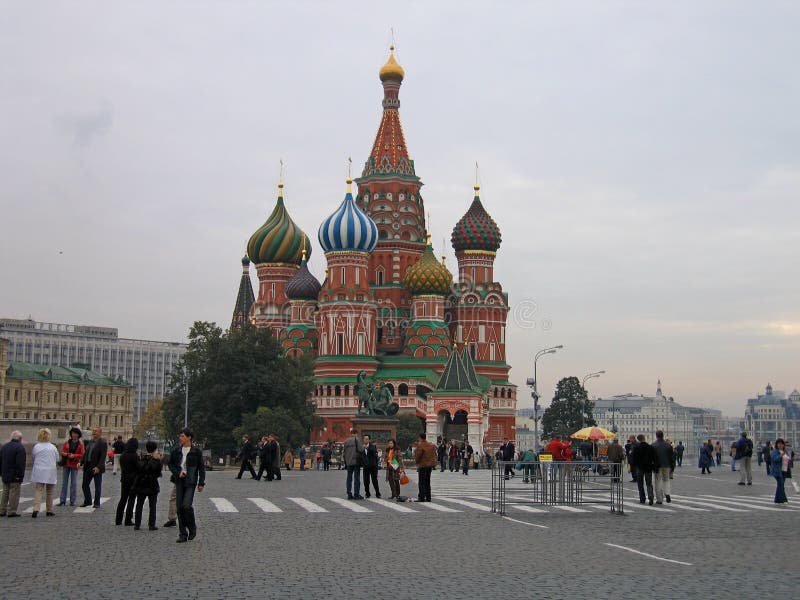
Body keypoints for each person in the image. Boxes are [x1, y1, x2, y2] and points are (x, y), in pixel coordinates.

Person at [168, 428, 205, 542]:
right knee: (179, 507)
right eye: (180, 436)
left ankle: (192, 527)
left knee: (186, 506)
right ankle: (182, 534)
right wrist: (178, 472)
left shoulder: (196, 452)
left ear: (189, 437)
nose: (181, 438)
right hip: (179, 481)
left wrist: (201, 483)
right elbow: (171, 464)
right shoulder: (176, 451)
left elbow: (201, 468)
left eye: (183, 436)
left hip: (191, 481)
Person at [133, 440, 162, 531]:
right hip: (152, 483)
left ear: (146, 448)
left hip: (142, 483)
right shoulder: (156, 460)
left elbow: (138, 470)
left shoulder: (142, 459)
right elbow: (158, 472)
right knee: (152, 506)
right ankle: (151, 524)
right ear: (155, 449)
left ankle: (137, 524)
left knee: (139, 505)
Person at [30, 428, 59, 518]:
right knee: (49, 491)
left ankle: (36, 509)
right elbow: (57, 459)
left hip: (39, 470)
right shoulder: (53, 447)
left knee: (39, 490)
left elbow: (33, 457)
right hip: (50, 470)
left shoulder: (37, 446)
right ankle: (49, 510)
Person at [0, 430, 26, 517]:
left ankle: (2, 510)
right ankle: (12, 511)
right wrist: (20, 475)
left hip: (5, 474)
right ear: (20, 438)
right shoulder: (20, 448)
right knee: (14, 493)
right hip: (15, 475)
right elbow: (20, 464)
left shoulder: (4, 447)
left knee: (5, 493)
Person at [81, 427, 108, 508]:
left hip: (96, 467)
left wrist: (98, 467)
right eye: (93, 431)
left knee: (97, 486)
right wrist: (81, 462)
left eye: (96, 431)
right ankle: (88, 501)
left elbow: (103, 456)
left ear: (100, 433)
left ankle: (96, 503)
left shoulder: (102, 442)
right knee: (85, 485)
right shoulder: (90, 442)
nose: (94, 432)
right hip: (88, 466)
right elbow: (86, 454)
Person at [116, 437, 139, 526]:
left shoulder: (123, 455)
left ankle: (118, 519)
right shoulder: (135, 456)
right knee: (131, 499)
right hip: (133, 480)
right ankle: (128, 519)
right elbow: (138, 468)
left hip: (124, 479)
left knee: (123, 499)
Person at [59, 427, 84, 507]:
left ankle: (72, 500)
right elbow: (62, 452)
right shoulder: (67, 443)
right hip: (66, 464)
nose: (74, 435)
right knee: (64, 483)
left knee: (74, 483)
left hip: (74, 464)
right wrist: (66, 454)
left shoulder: (80, 444)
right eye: (73, 433)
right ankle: (62, 500)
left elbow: (82, 455)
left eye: (76, 433)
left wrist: (74, 456)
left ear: (78, 435)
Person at [631, 434, 656, 505]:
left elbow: (634, 459)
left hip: (639, 468)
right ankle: (651, 498)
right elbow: (654, 458)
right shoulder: (650, 447)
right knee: (649, 483)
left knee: (640, 484)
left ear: (638, 439)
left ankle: (642, 498)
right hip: (648, 467)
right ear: (644, 438)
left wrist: (635, 465)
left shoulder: (637, 448)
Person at [651, 430, 675, 505]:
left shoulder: (653, 445)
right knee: (666, 480)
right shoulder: (668, 445)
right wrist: (672, 467)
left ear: (656, 436)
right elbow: (672, 457)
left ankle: (659, 499)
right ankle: (667, 493)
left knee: (658, 482)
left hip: (657, 466)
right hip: (667, 465)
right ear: (663, 435)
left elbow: (651, 458)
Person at [414, 433, 437, 502]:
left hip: (422, 465)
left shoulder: (420, 445)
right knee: (427, 481)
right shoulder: (431, 445)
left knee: (421, 482)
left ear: (420, 438)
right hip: (429, 466)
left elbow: (418, 456)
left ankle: (421, 497)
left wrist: (416, 462)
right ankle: (428, 497)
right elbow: (434, 454)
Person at [342, 429, 364, 500]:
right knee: (356, 478)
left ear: (351, 433)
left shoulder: (346, 441)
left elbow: (344, 452)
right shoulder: (356, 440)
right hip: (356, 462)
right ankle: (356, 494)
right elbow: (361, 450)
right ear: (356, 433)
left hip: (348, 462)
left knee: (349, 478)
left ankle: (349, 493)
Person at [771, 438, 790, 505]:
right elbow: (774, 459)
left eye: (781, 444)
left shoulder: (785, 451)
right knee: (781, 485)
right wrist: (780, 456)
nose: (780, 445)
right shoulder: (775, 451)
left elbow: (788, 458)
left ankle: (778, 500)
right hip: (777, 471)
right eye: (779, 444)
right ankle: (783, 500)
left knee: (780, 485)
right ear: (776, 444)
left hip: (784, 470)